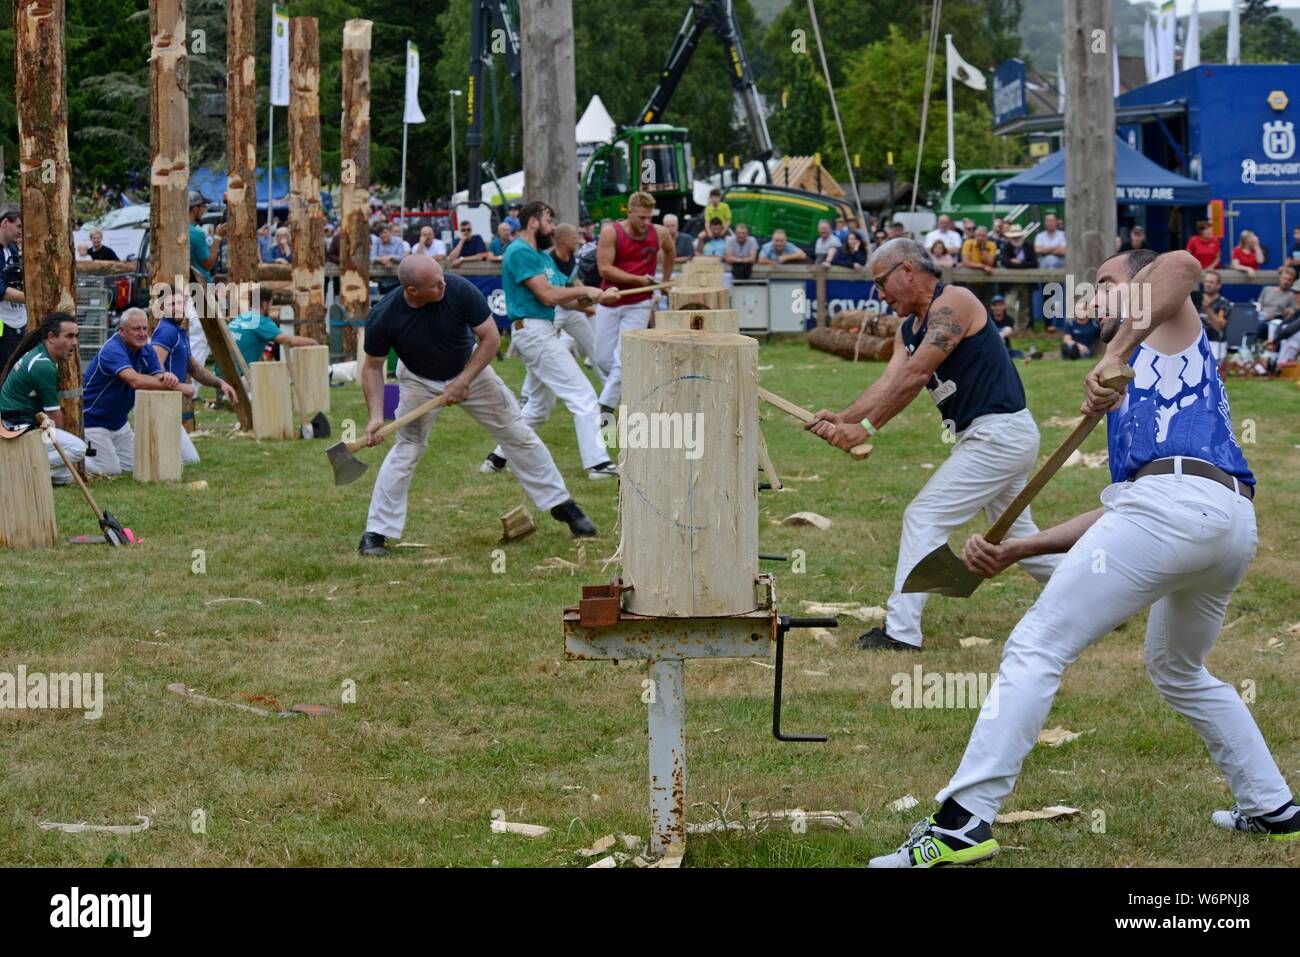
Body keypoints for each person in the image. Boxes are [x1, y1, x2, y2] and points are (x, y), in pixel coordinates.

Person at [868, 248, 1298, 867]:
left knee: (1036, 645)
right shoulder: (1122, 388)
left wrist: (1115, 353)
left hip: (1183, 509)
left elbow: (1180, 264)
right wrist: (1020, 548)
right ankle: (1271, 805)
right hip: (1221, 521)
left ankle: (963, 824)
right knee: (1178, 669)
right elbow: (1129, 508)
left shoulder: (1167, 329)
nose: (1093, 298)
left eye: (1105, 284)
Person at [806, 238, 1060, 651]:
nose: (880, 295)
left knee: (923, 517)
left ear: (907, 270)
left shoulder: (954, 302)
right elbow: (888, 381)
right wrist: (844, 418)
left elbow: (917, 374)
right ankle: (1097, 597)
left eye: (882, 283)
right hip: (990, 437)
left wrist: (866, 429)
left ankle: (901, 633)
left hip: (998, 434)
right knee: (1018, 536)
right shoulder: (908, 330)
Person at [357, 254, 599, 556]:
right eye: (435, 284)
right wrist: (375, 417)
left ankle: (563, 506)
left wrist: (463, 381)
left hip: (472, 369)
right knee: (407, 448)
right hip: (418, 379)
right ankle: (376, 533)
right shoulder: (384, 316)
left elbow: (490, 339)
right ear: (412, 291)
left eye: (442, 277)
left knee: (517, 434)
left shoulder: (458, 289)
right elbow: (372, 368)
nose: (443, 283)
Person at [482, 206, 619, 479]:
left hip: (540, 331)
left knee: (538, 409)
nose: (553, 227)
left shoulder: (539, 256)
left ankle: (497, 458)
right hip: (533, 332)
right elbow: (547, 295)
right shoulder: (519, 250)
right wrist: (587, 290)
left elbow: (565, 297)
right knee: (583, 395)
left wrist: (598, 297)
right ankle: (598, 464)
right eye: (549, 220)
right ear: (533, 222)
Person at [594, 190, 676, 413]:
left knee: (624, 358)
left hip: (640, 304)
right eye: (641, 217)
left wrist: (666, 281)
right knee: (601, 359)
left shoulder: (658, 233)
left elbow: (670, 252)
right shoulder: (611, 233)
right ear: (629, 212)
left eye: (650, 217)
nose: (646, 222)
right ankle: (633, 389)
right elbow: (605, 269)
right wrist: (638, 279)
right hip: (610, 300)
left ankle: (604, 408)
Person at [82, 308, 189, 477]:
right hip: (93, 422)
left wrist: (166, 377)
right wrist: (181, 387)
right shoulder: (113, 349)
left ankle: (96, 454)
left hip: (120, 423)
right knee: (110, 471)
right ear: (122, 332)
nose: (141, 333)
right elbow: (136, 381)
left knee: (136, 467)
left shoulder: (147, 350)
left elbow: (158, 379)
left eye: (144, 329)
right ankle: (76, 455)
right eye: (136, 329)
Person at [150, 291, 236, 464]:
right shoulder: (166, 331)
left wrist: (220, 384)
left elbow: (194, 368)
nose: (177, 308)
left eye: (180, 303)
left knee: (189, 460)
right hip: (160, 404)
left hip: (170, 405)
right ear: (161, 308)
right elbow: (153, 371)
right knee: (174, 460)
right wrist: (181, 388)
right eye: (171, 304)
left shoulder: (178, 331)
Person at [0, 312, 86, 483]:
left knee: (66, 476)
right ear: (51, 337)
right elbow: (54, 418)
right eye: (69, 336)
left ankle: (29, 473)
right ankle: (15, 470)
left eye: (76, 336)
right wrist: (58, 442)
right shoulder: (43, 366)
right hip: (14, 426)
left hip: (20, 422)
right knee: (78, 449)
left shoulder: (42, 354)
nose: (74, 343)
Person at [225, 285, 320, 375]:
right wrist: (313, 342)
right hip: (240, 378)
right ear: (265, 304)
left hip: (224, 374)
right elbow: (287, 340)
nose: (270, 308)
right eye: (271, 304)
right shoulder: (261, 321)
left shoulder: (241, 317)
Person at [0, 206, 28, 372]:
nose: (20, 232)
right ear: (5, 223)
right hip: (3, 326)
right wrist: (34, 298)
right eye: (18, 226)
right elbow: (1, 291)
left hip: (19, 323)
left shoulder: (12, 249)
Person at [1034, 213, 1067, 330]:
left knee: (1058, 298)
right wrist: (1055, 249)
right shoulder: (1040, 236)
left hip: (1060, 273)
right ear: (1045, 222)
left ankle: (1058, 325)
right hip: (1045, 274)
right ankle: (1049, 325)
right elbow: (1038, 250)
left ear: (1056, 222)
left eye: (1052, 220)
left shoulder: (1063, 235)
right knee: (1047, 298)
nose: (1050, 223)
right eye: (1048, 221)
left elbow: (1064, 251)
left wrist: (1046, 250)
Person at [188, 191, 225, 283]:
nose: (204, 211)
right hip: (201, 286)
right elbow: (208, 264)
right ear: (195, 209)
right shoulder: (196, 233)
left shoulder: (179, 230)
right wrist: (218, 236)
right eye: (203, 207)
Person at [1198, 270, 1231, 361]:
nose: (1207, 284)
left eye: (1211, 282)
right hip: (1195, 343)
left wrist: (1208, 309)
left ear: (1218, 285)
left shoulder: (1223, 304)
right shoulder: (1197, 300)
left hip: (1215, 343)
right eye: (1206, 281)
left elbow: (1219, 327)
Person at [371, 223, 408, 294]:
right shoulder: (377, 242)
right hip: (382, 279)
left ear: (390, 232)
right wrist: (383, 260)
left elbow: (402, 257)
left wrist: (390, 257)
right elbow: (372, 258)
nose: (383, 235)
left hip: (397, 280)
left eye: (385, 232)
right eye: (381, 233)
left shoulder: (398, 241)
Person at [987, 294, 1022, 359]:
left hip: (1005, 348)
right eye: (995, 305)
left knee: (1018, 353)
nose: (997, 308)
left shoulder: (1009, 319)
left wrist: (1002, 335)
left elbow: (1009, 329)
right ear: (991, 307)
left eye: (1000, 305)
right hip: (991, 347)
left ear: (1004, 306)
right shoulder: (987, 319)